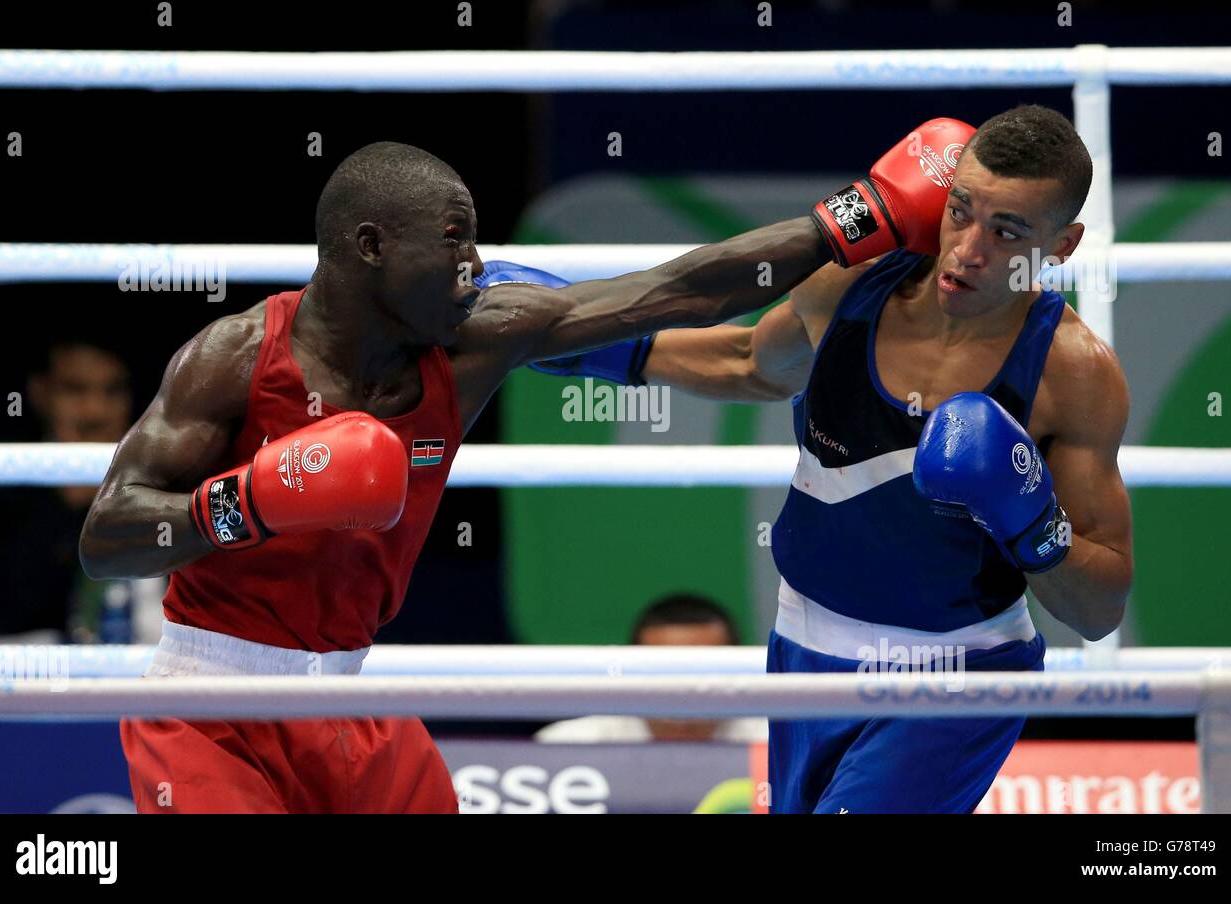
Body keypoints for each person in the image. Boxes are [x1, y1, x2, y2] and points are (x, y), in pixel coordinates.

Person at [77, 130, 926, 812]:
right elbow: (108, 535)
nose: (475, 265)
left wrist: (859, 215)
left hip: (346, 696)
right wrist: (246, 503)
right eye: (452, 241)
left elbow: (681, 289)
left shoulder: (478, 336)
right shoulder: (235, 357)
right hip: (210, 701)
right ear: (370, 246)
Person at [515, 105, 1134, 813]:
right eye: (960, 211)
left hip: (958, 675)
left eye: (1007, 232)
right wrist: (574, 343)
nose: (967, 248)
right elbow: (750, 360)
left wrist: (1033, 522)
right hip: (802, 649)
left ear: (1063, 244)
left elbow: (1099, 609)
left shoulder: (1072, 373)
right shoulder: (856, 284)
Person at [0, 336, 163, 643]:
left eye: (113, 391)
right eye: (76, 390)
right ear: (40, 393)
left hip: (130, 678)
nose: (96, 411)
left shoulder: (160, 490)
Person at [536, 593, 767, 743]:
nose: (682, 693)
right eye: (665, 674)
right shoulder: (569, 746)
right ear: (630, 675)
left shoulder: (773, 747)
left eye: (701, 674)